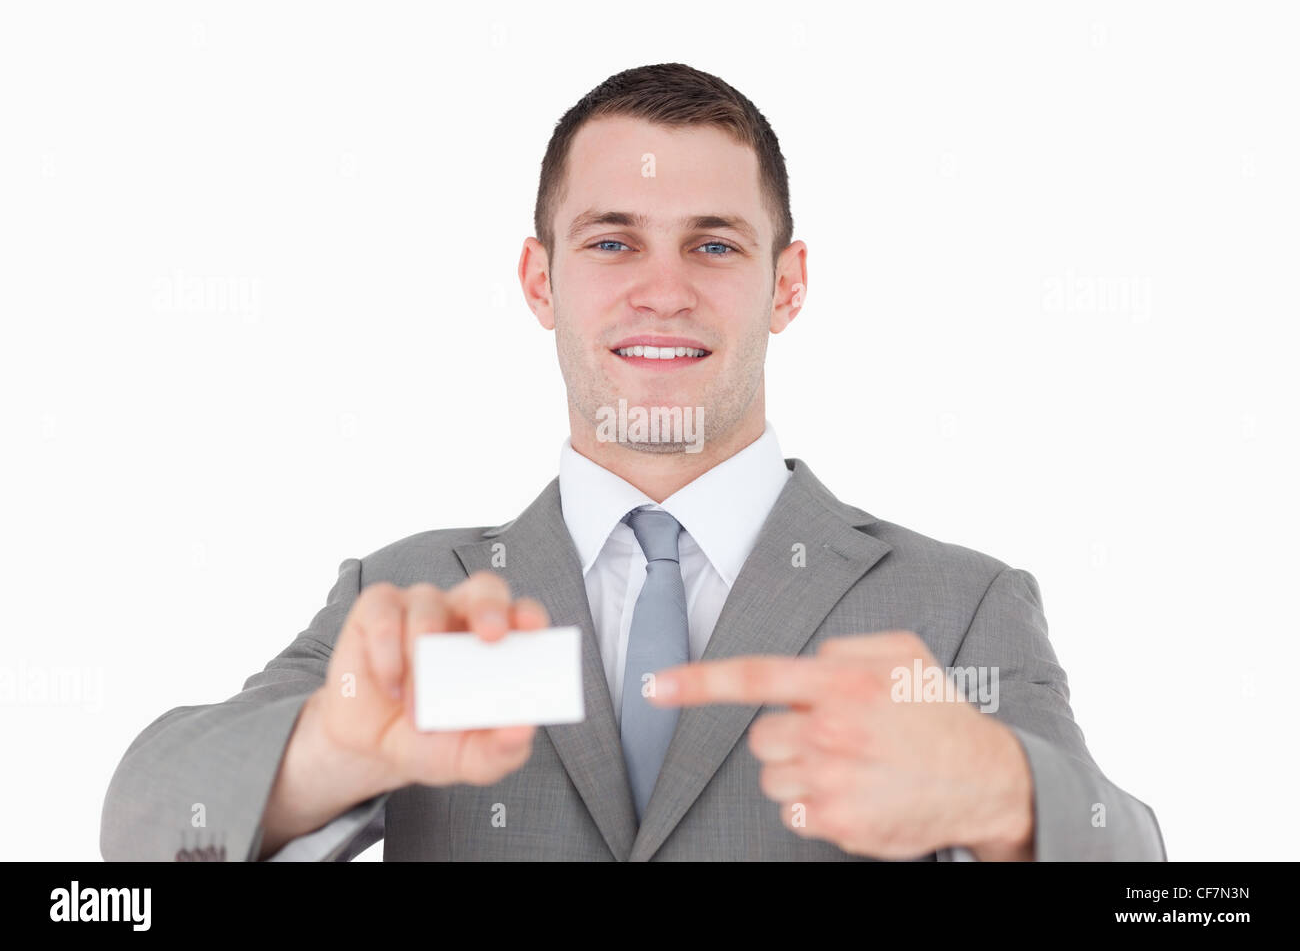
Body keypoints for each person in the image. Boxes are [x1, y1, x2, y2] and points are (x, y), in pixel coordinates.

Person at [100, 62, 1167, 862]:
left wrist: (1003, 794)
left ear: (786, 285)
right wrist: (326, 756)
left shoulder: (959, 602)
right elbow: (142, 823)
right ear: (538, 279)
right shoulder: (413, 596)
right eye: (612, 242)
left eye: (713, 243)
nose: (663, 290)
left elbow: (1155, 883)